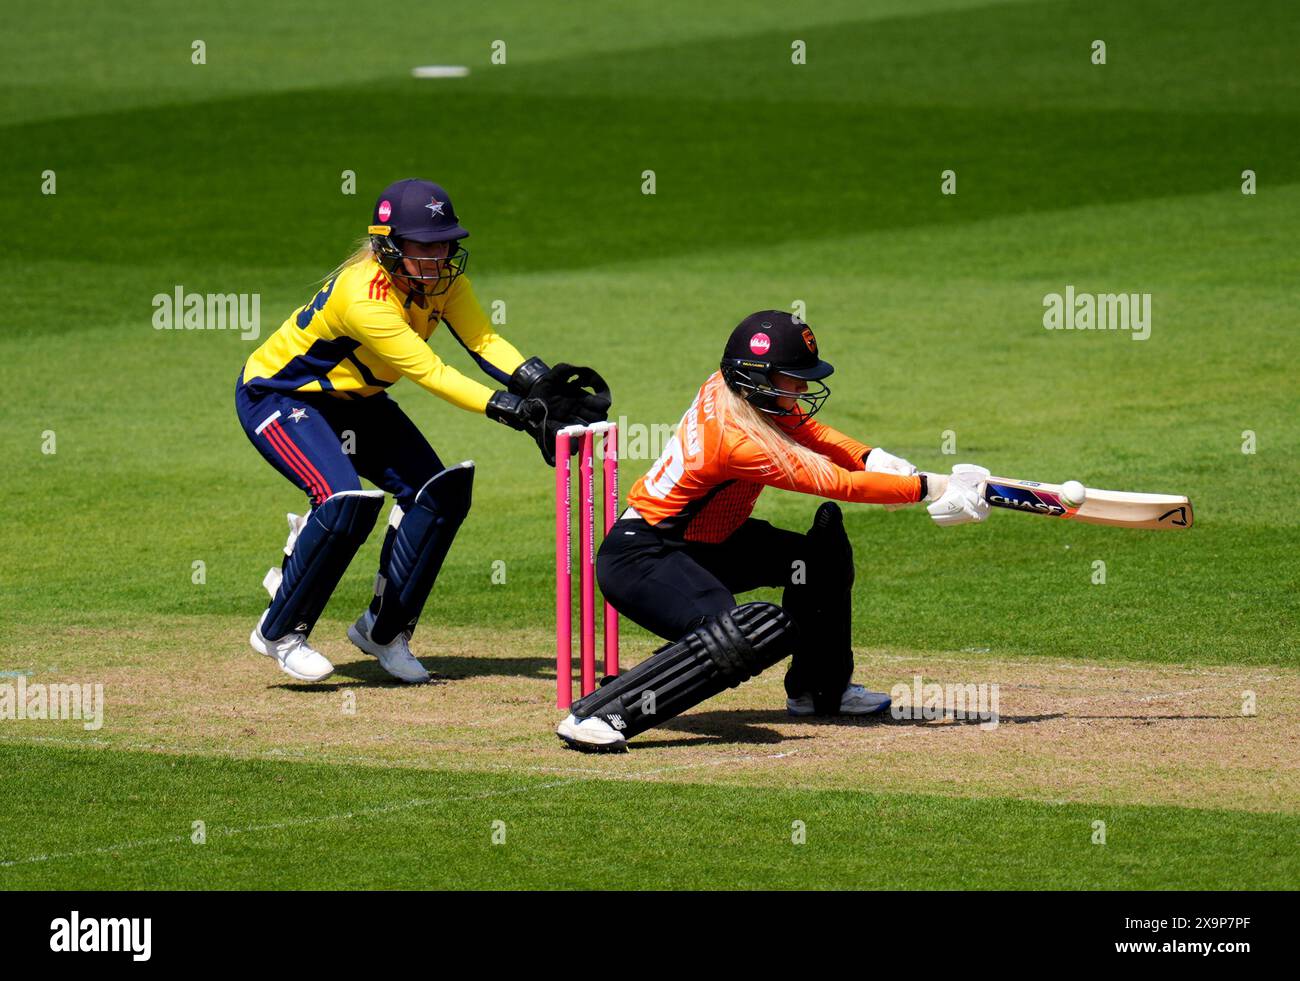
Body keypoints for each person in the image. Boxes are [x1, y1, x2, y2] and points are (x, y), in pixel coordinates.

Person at [556, 310, 987, 751]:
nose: (802, 390)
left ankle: (820, 692)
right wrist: (931, 488)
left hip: (712, 543)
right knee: (741, 634)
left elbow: (810, 432)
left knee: (819, 561)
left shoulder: (735, 391)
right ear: (757, 378)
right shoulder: (735, 442)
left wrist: (872, 457)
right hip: (645, 557)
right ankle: (601, 714)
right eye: (793, 380)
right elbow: (837, 484)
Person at [236, 178, 609, 684]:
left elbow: (484, 340)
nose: (439, 256)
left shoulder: (444, 283)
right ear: (389, 245)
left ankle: (384, 631)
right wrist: (514, 411)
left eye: (445, 243)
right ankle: (279, 631)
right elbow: (432, 372)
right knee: (343, 501)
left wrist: (539, 383)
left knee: (439, 496)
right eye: (425, 245)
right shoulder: (363, 297)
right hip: (280, 397)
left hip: (358, 402)